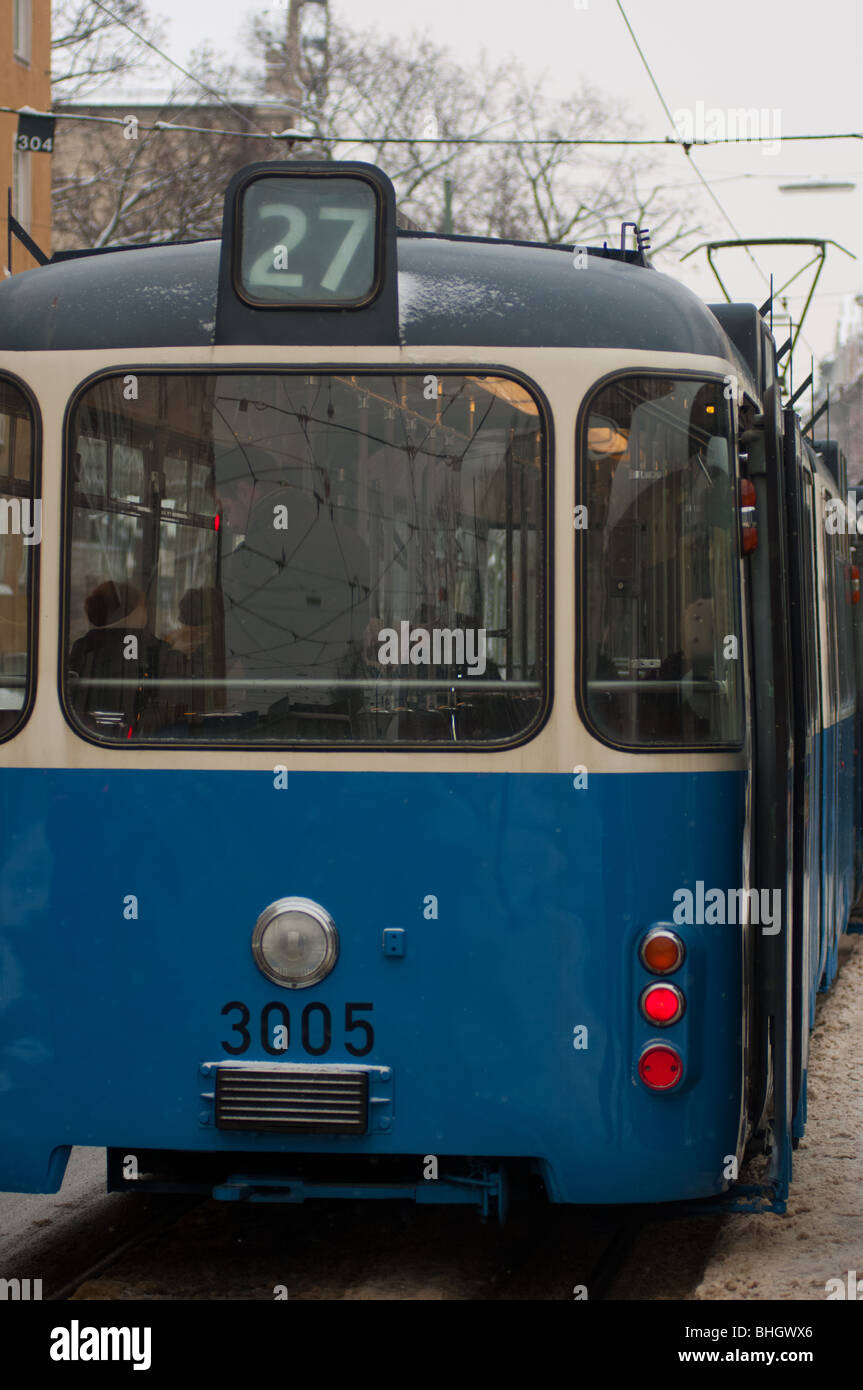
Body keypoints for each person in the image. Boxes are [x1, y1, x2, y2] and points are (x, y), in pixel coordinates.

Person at [213, 443, 370, 726]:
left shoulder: (249, 559)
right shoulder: (351, 542)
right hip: (345, 710)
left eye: (226, 509)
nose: (229, 521)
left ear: (244, 490)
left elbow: (233, 644)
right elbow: (357, 623)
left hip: (278, 713)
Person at [67, 580, 184, 735]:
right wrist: (176, 648)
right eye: (143, 606)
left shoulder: (82, 645)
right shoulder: (149, 644)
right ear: (131, 611)